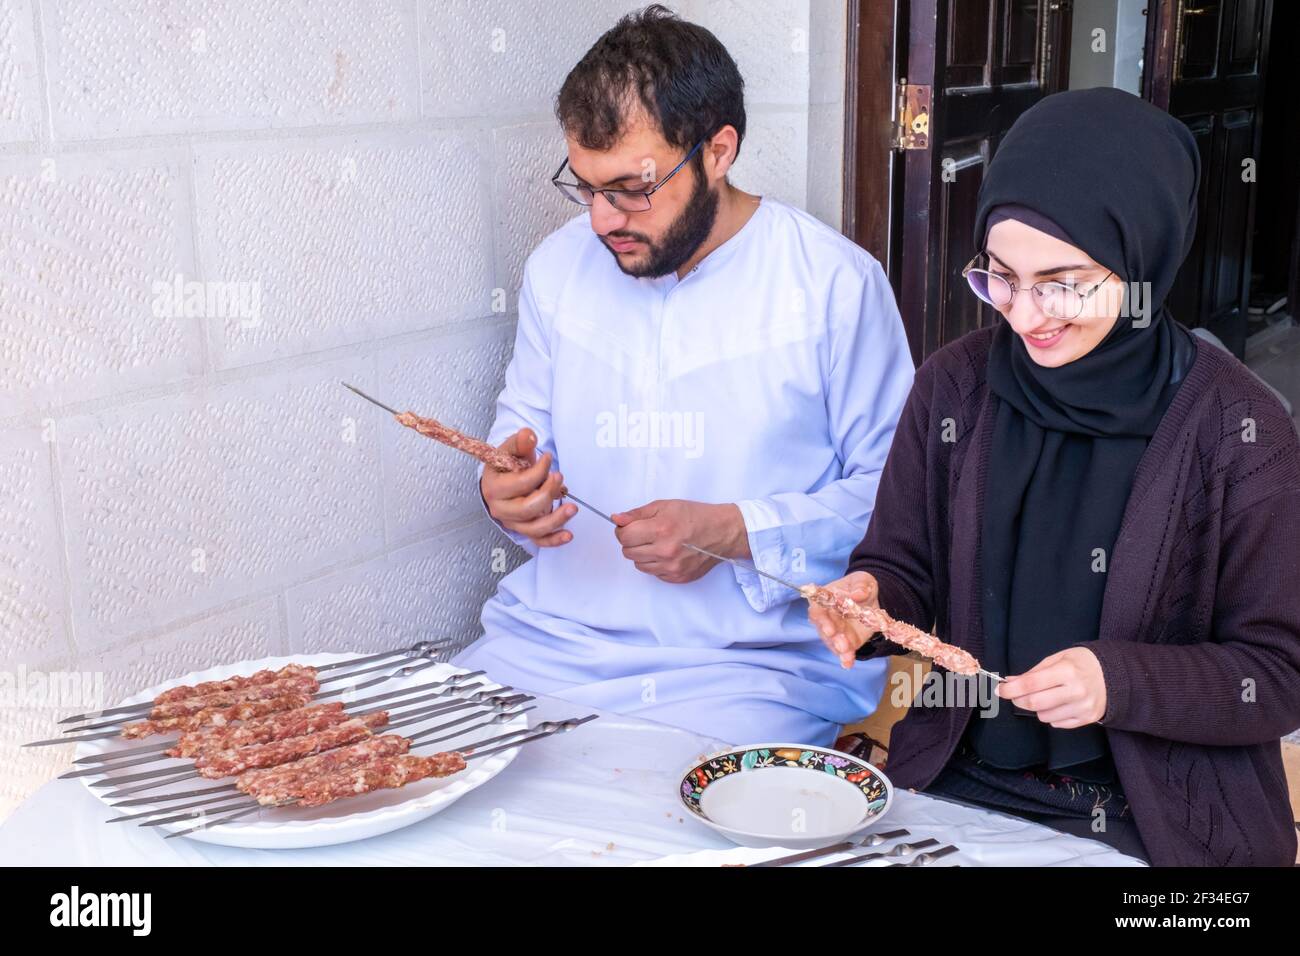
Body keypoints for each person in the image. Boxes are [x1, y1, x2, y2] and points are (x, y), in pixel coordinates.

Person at [810, 87, 1300, 866]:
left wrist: (1119, 683)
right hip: (959, 783)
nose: (1027, 313)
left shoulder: (1241, 433)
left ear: (1143, 258)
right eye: (999, 276)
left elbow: (1278, 676)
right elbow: (903, 564)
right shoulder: (953, 387)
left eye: (1064, 283)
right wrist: (872, 599)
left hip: (1163, 825)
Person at [453, 6, 914, 745]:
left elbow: (895, 504)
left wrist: (735, 531)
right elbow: (518, 441)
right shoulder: (557, 269)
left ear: (719, 150)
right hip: (548, 644)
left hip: (748, 669)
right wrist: (501, 490)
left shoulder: (834, 285)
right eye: (588, 186)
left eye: (633, 189)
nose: (604, 220)